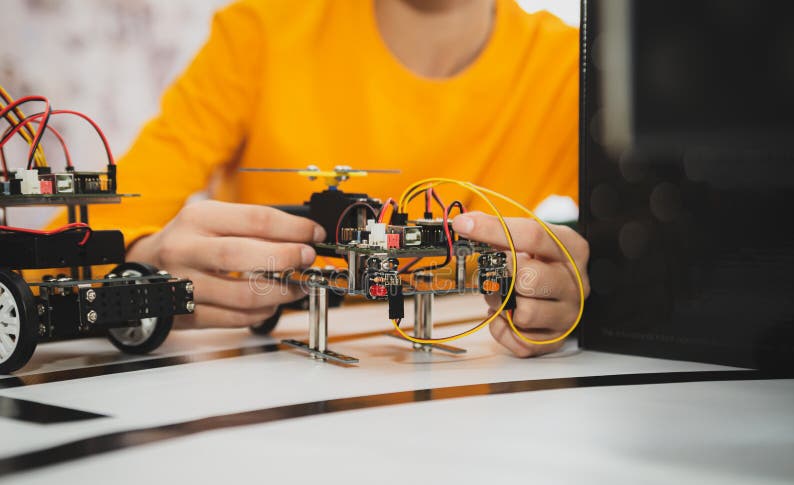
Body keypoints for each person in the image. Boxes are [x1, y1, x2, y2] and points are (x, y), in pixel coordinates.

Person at [52, 0, 589, 356]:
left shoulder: (575, 69)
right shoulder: (263, 31)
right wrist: (145, 274)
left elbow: (655, 262)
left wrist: (582, 290)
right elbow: (66, 240)